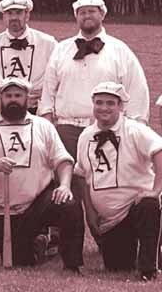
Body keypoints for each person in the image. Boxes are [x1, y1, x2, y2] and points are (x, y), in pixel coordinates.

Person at [0, 77, 84, 272]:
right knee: (22, 261)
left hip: (39, 202)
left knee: (69, 204)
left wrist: (64, 185)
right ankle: (40, 244)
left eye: (18, 95)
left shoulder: (43, 126)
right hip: (4, 212)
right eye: (8, 96)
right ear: (1, 98)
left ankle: (72, 265)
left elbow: (63, 160)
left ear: (28, 99)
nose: (13, 99)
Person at [39, 0, 149, 159]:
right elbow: (48, 92)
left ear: (102, 14)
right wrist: (48, 128)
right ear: (76, 16)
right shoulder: (61, 50)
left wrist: (135, 128)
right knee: (70, 181)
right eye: (82, 12)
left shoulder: (120, 50)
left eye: (92, 11)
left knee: (105, 181)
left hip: (107, 129)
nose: (87, 16)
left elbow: (137, 90)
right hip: (66, 131)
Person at [74, 82, 162, 281]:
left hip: (137, 208)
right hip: (112, 220)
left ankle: (149, 269)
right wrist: (90, 211)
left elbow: (159, 150)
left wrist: (156, 190)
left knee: (148, 204)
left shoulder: (134, 130)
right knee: (117, 266)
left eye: (110, 103)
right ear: (93, 104)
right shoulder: (85, 136)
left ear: (120, 106)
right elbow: (81, 175)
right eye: (99, 102)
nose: (104, 108)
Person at [0, 0, 58, 113]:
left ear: (27, 15)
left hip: (38, 109)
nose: (13, 17)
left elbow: (56, 79)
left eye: (18, 13)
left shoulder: (48, 43)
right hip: (4, 109)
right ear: (3, 17)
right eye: (9, 13)